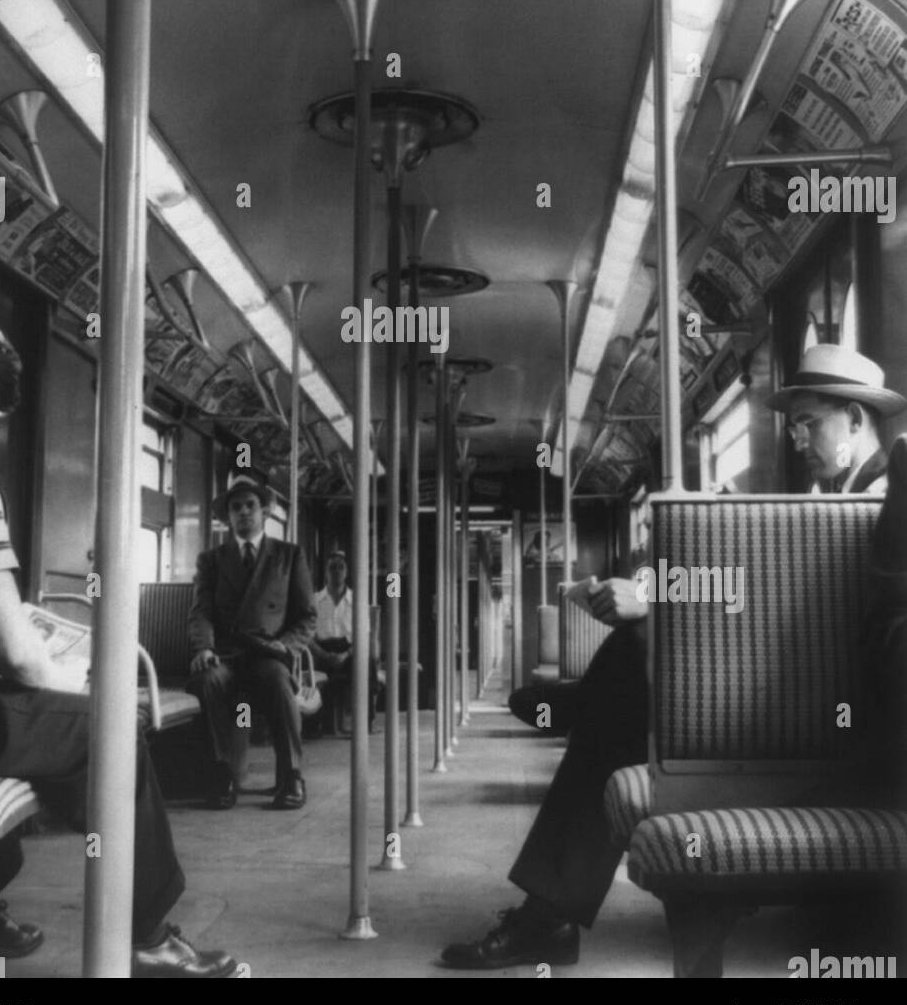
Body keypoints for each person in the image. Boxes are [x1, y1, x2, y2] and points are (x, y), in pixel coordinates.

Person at [441, 344, 902, 969]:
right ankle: (592, 732)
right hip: (807, 690)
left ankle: (550, 909)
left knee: (627, 677)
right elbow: (767, 600)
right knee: (631, 666)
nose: (796, 438)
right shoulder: (830, 498)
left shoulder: (881, 500)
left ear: (854, 417)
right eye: (791, 424)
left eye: (809, 421)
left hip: (852, 723)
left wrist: (658, 615)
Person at [0, 316, 239, 978]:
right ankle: (149, 933)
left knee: (28, 728)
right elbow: (18, 656)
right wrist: (68, 682)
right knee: (106, 729)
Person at [187, 474, 316, 810]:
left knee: (277, 679)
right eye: (236, 508)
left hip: (268, 653)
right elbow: (201, 611)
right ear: (228, 517)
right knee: (208, 679)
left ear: (264, 513)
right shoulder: (211, 560)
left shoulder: (290, 556)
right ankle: (223, 774)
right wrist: (204, 648)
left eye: (250, 506)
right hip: (226, 655)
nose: (243, 512)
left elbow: (307, 617)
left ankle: (291, 775)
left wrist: (287, 647)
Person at [308, 550, 377, 733]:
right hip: (321, 651)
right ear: (326, 572)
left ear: (346, 572)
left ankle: (364, 723)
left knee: (366, 665)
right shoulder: (314, 601)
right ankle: (316, 724)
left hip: (349, 650)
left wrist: (345, 655)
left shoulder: (357, 601)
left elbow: (363, 635)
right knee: (308, 672)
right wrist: (323, 654)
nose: (336, 571)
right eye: (332, 568)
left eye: (340, 567)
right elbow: (306, 635)